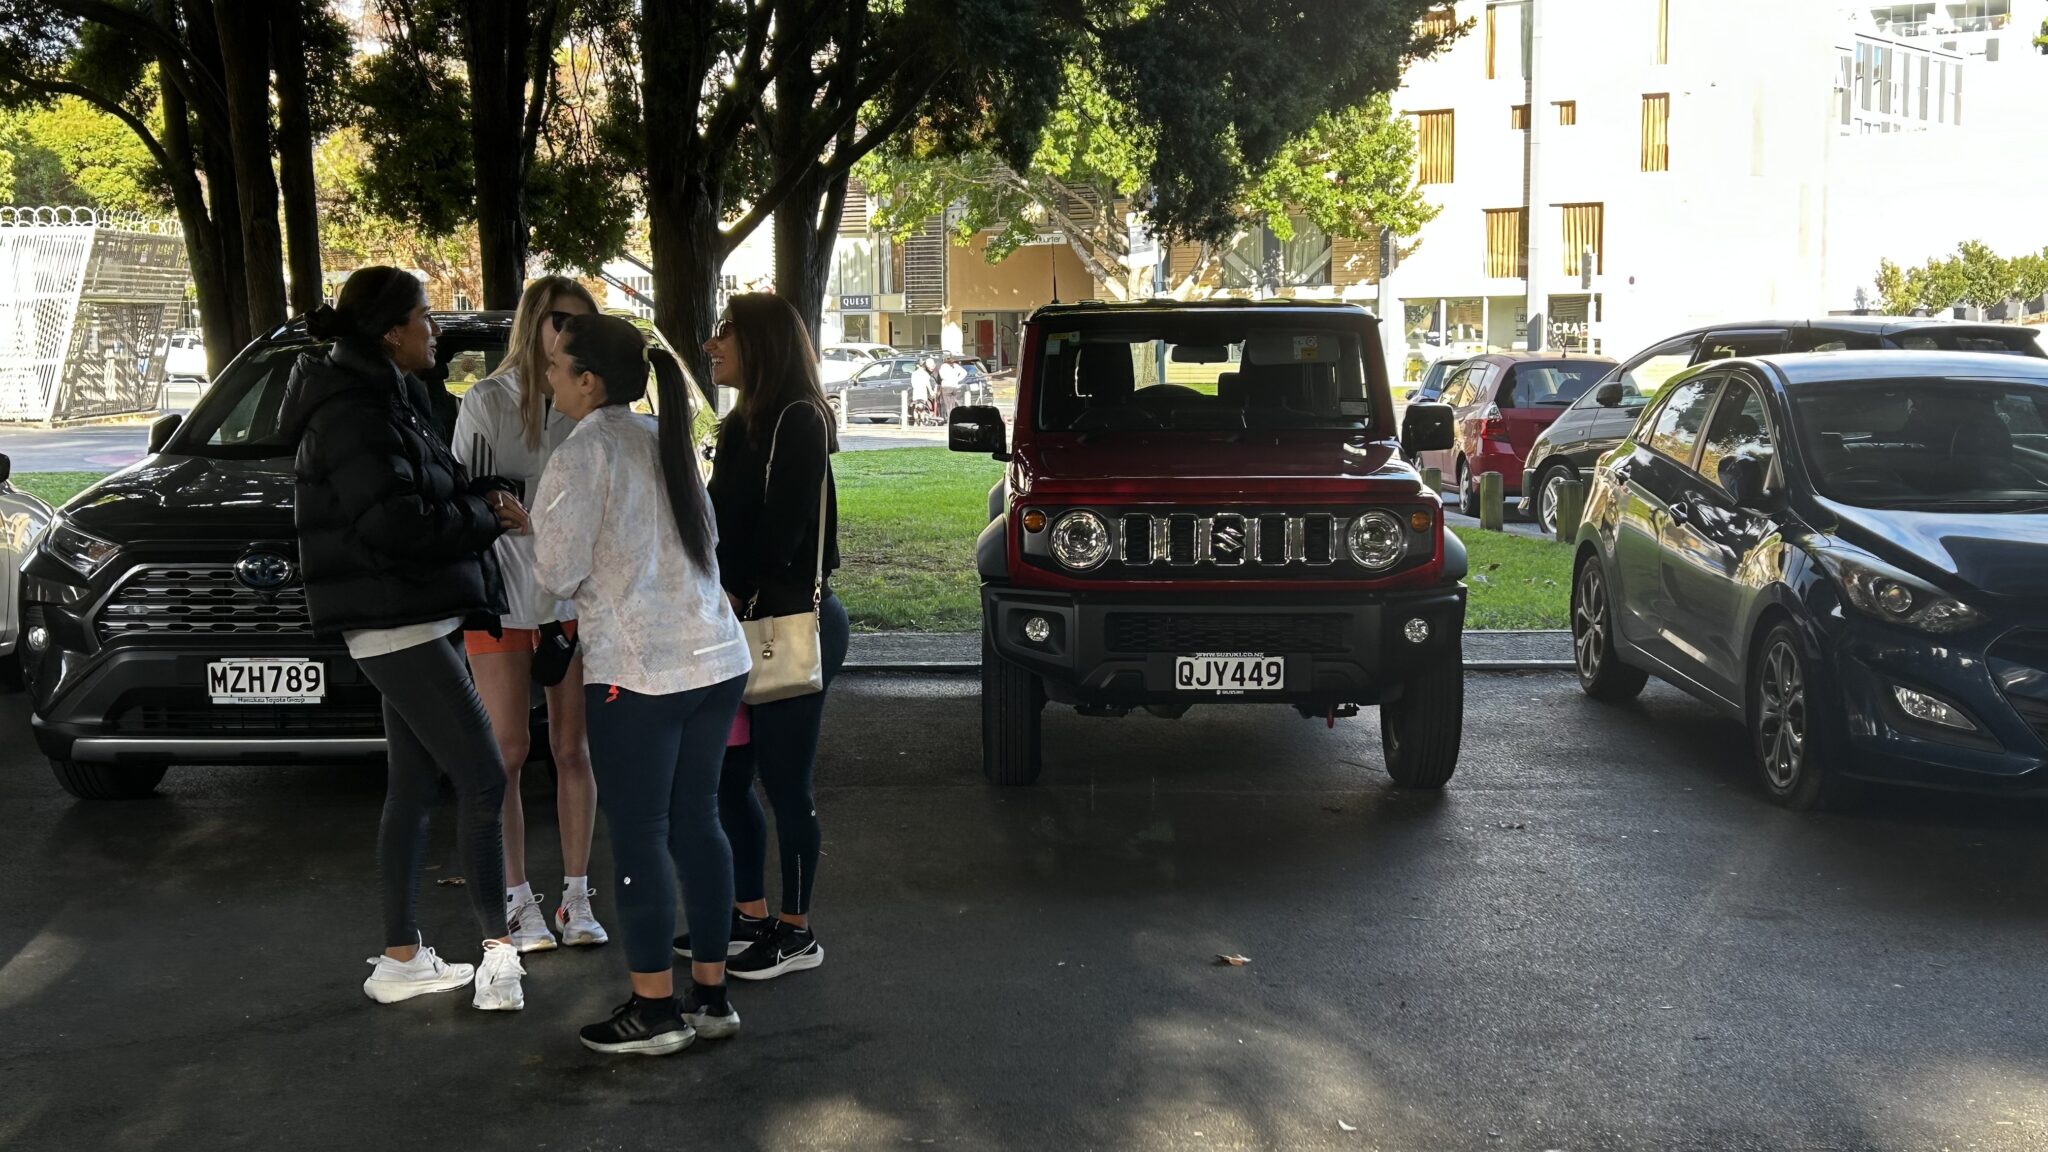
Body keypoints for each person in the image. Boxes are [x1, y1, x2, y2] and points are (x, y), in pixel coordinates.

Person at [280, 266, 527, 1011]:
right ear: (392, 332)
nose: (437, 329)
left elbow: (429, 488)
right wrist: (487, 520)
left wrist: (481, 496)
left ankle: (401, 958)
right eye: (426, 317)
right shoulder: (354, 411)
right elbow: (395, 525)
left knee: (415, 788)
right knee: (483, 779)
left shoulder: (390, 396)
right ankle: (499, 957)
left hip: (416, 616)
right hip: (397, 623)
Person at [534, 313, 752, 1056]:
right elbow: (707, 540)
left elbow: (555, 574)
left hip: (639, 670)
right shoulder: (666, 441)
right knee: (699, 824)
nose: (550, 379)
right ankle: (712, 997)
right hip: (714, 657)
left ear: (589, 381)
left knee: (642, 837)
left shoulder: (582, 452)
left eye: (558, 367)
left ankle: (655, 1010)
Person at [681, 292, 848, 981]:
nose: (713, 345)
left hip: (787, 626)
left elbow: (782, 537)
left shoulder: (799, 420)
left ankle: (796, 930)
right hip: (740, 624)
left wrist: (729, 586)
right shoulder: (741, 422)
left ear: (762, 344)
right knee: (728, 780)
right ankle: (749, 914)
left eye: (726, 333)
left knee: (785, 784)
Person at [452, 276, 608, 954]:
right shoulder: (487, 403)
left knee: (572, 748)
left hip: (570, 599)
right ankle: (518, 899)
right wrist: (502, 510)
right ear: (534, 326)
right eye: (559, 321)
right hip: (501, 597)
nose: (571, 333)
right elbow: (462, 503)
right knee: (508, 751)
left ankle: (577, 895)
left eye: (582, 322)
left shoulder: (591, 401)